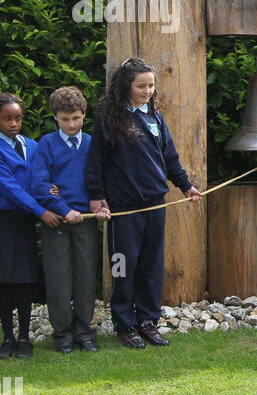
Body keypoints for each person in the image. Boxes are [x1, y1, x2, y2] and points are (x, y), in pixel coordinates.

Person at [85, 58, 201, 349]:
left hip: (155, 205)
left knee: (151, 265)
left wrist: (186, 186)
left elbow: (169, 158)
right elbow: (95, 161)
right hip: (124, 209)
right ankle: (125, 324)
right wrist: (97, 199)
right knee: (124, 266)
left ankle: (148, 321)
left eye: (151, 85)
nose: (148, 91)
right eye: (141, 86)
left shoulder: (154, 117)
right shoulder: (110, 117)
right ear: (126, 86)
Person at [0, 92, 62, 359]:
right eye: (7, 119)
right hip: (3, 222)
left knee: (24, 281)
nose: (14, 123)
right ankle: (7, 338)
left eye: (18, 118)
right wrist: (42, 211)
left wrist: (52, 190)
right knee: (3, 283)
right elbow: (11, 189)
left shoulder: (33, 146)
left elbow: (41, 179)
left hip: (24, 222)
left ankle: (25, 337)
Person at [30, 86, 100, 354]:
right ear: (55, 118)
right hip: (57, 223)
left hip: (86, 220)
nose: (71, 124)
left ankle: (85, 332)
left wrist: (102, 203)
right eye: (64, 119)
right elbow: (40, 184)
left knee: (85, 277)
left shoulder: (93, 144)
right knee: (59, 278)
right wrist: (61, 206)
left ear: (84, 115)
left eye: (76, 118)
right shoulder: (46, 144)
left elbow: (100, 179)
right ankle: (62, 334)